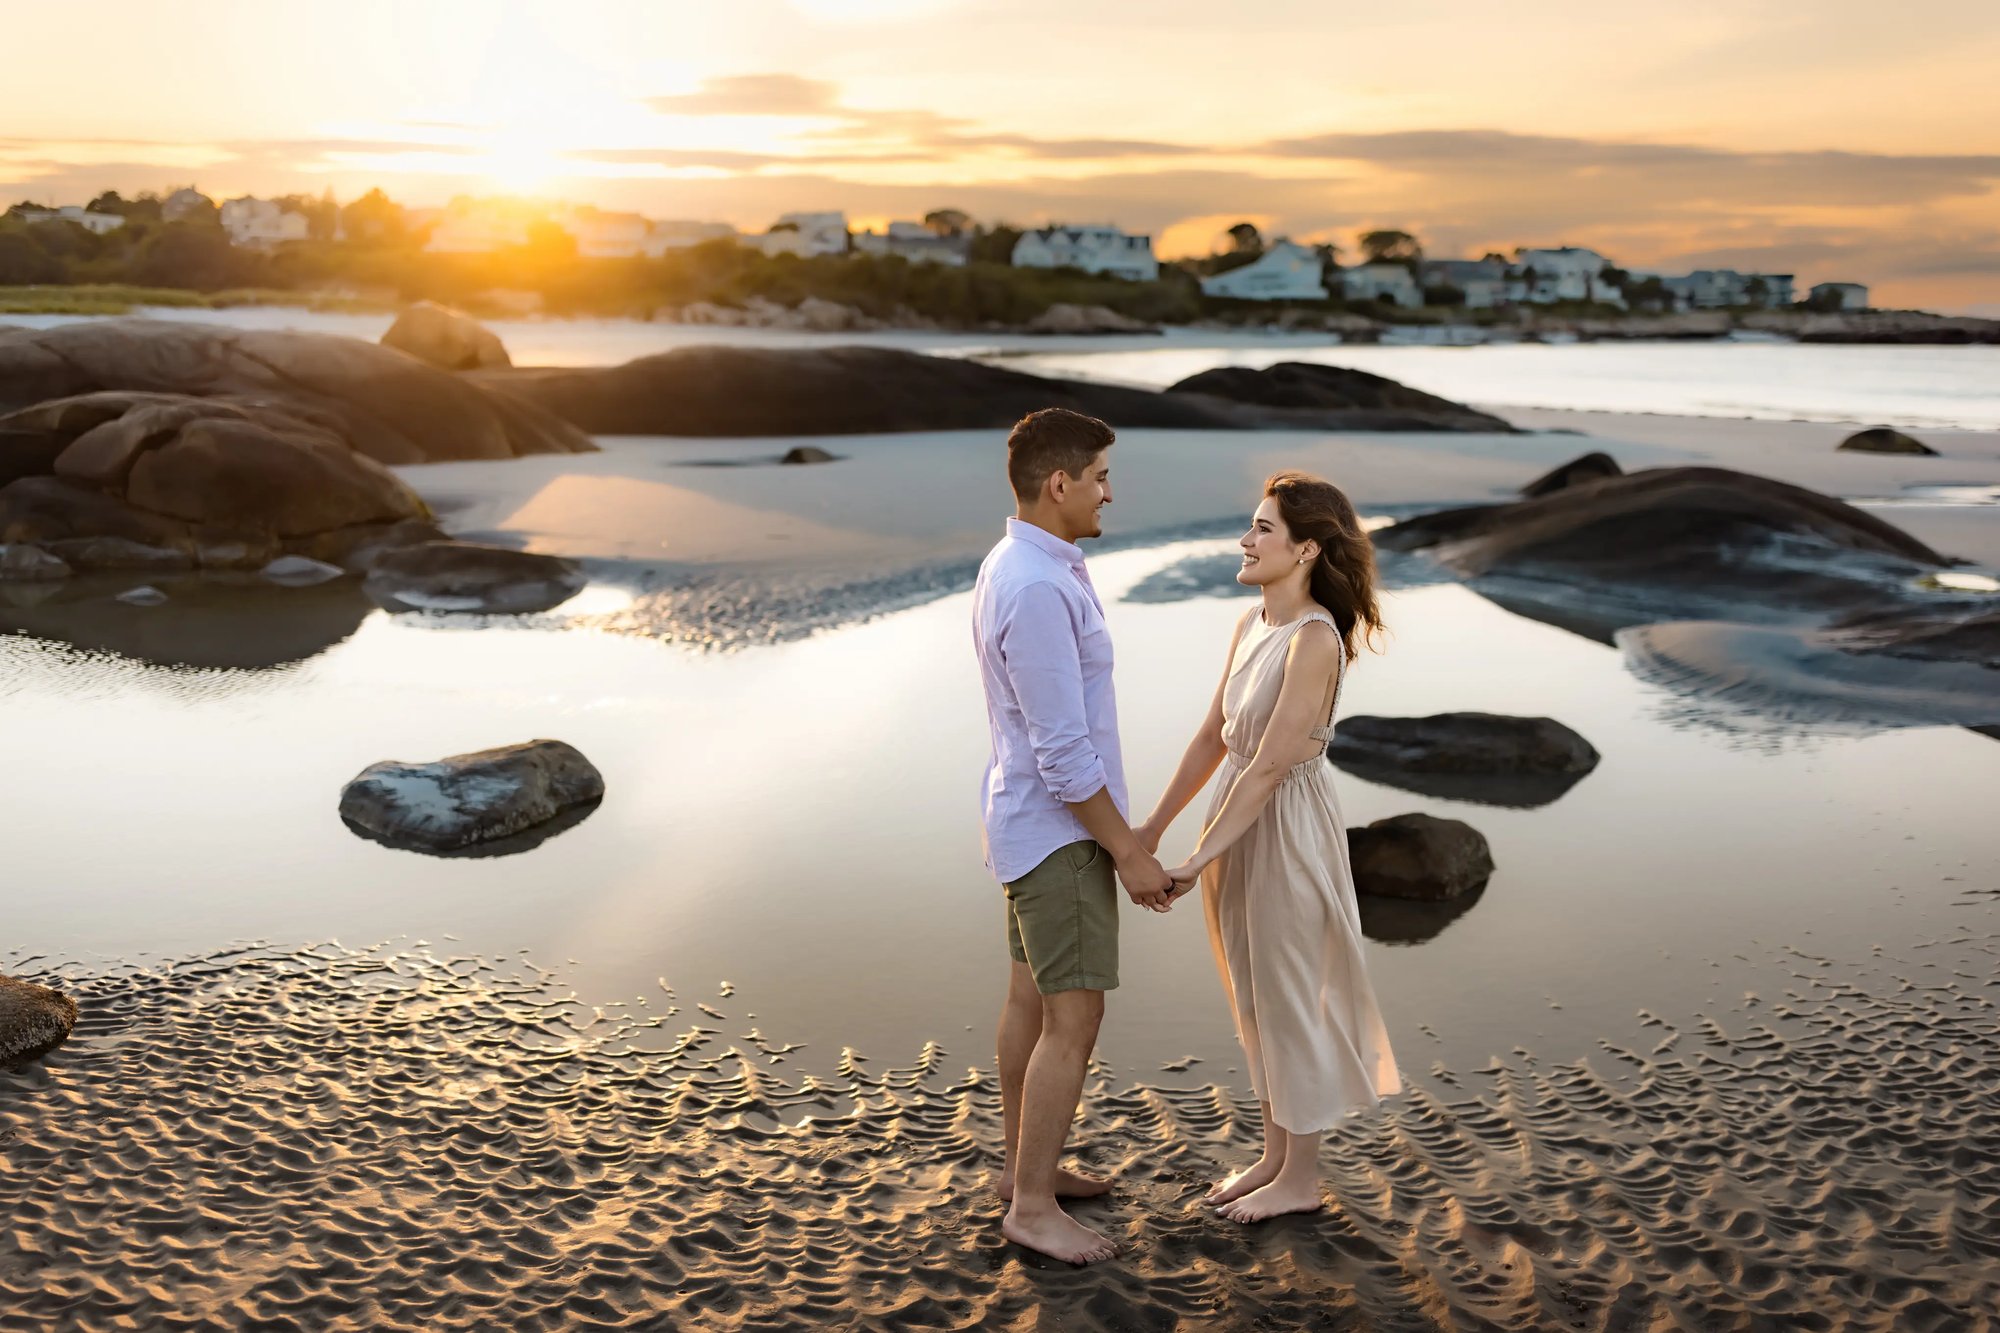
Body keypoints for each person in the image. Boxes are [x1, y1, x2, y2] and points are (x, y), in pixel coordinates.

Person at [1140, 470, 1403, 1223]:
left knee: (1291, 993)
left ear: (1307, 548)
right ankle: (1275, 1154)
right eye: (1250, 524)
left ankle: (1302, 1178)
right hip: (1235, 813)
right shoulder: (1250, 622)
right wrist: (1154, 830)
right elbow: (1211, 738)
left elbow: (1268, 768)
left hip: (1286, 824)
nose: (1246, 539)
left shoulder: (1315, 637)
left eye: (1263, 529)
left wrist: (1195, 859)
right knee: (1251, 987)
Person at [972, 407, 1176, 1266]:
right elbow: (1063, 752)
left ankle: (1029, 1170)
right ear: (1058, 484)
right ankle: (1029, 1204)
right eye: (1098, 476)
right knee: (1074, 1017)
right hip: (1060, 836)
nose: (1108, 491)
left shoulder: (1023, 561)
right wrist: (1128, 849)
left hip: (1026, 823)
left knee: (1029, 1001)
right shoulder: (1037, 585)